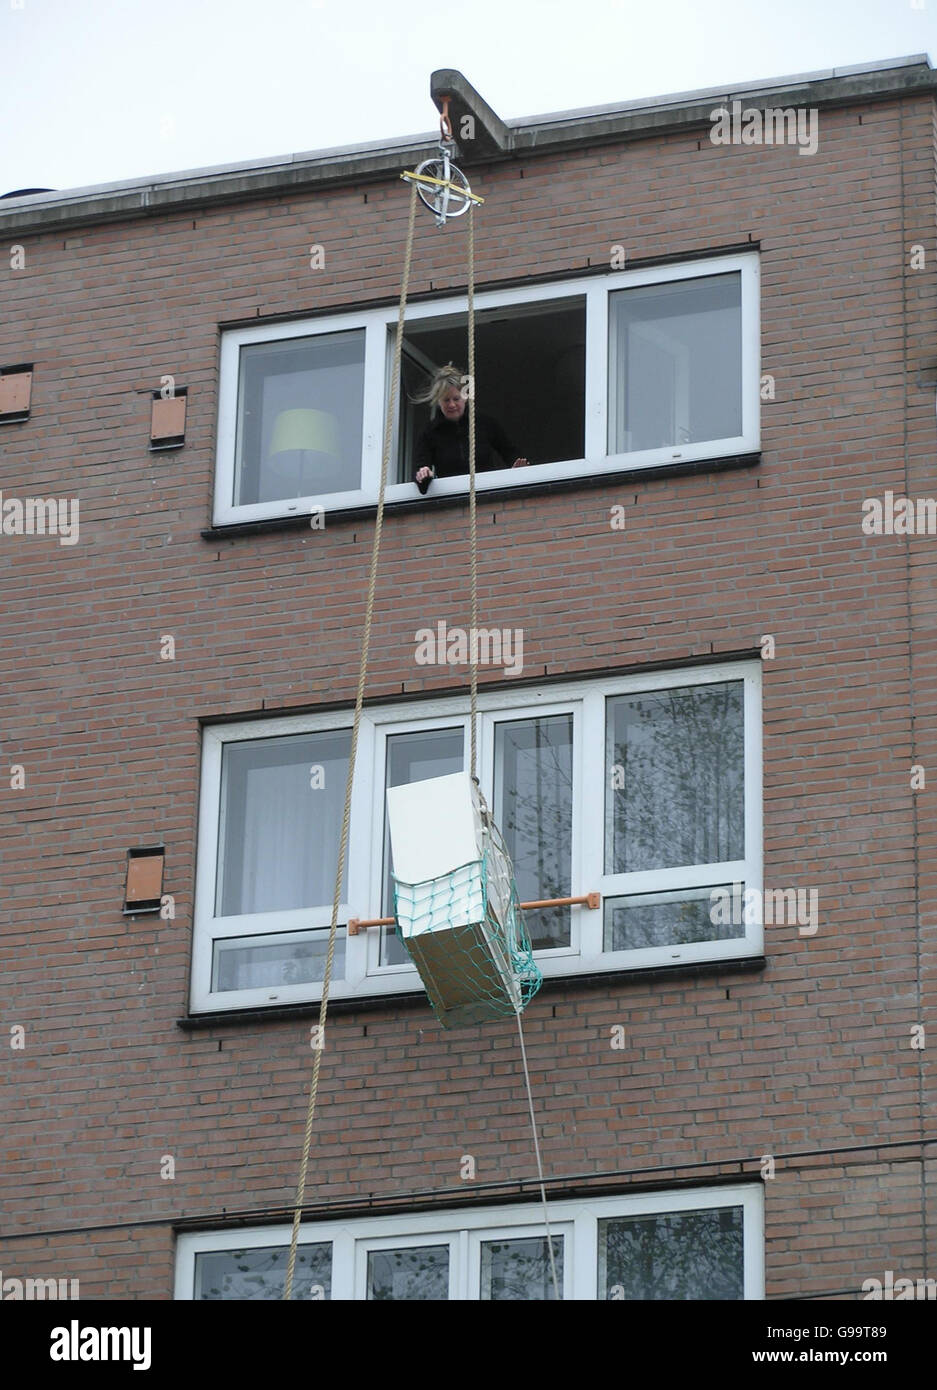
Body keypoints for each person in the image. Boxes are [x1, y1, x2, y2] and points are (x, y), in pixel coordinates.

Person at [412, 364, 528, 494]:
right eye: (446, 400)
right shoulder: (429, 433)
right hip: (452, 498)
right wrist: (424, 475)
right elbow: (421, 480)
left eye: (456, 399)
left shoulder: (484, 424)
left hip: (487, 494)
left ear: (465, 397)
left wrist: (518, 469)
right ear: (439, 402)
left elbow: (510, 452)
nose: (452, 404)